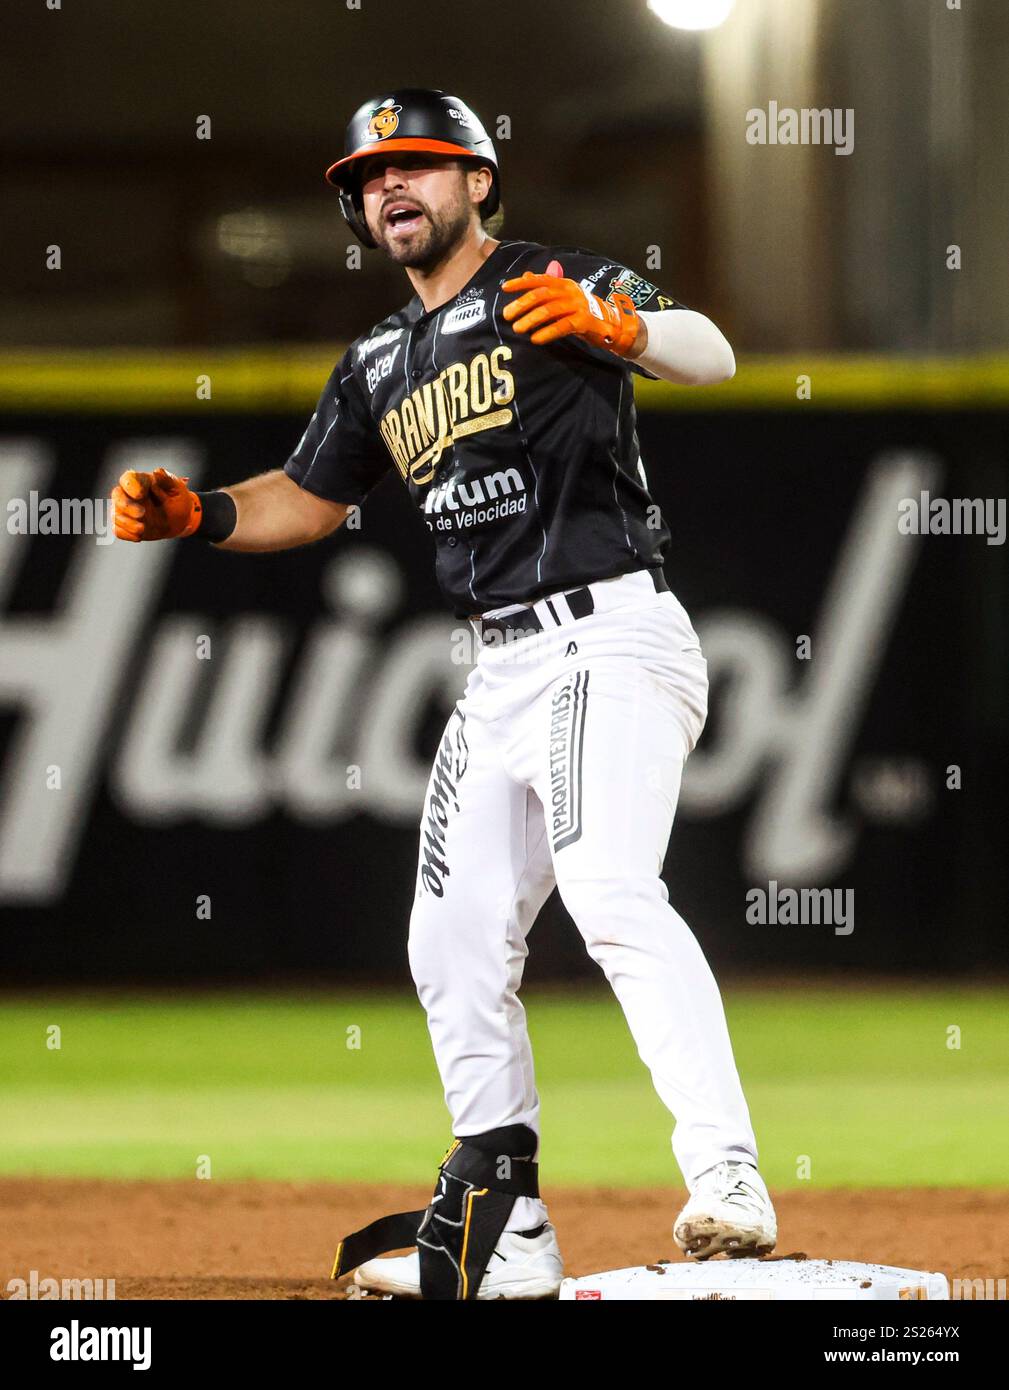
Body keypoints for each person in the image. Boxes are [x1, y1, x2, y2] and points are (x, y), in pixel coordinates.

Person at [112, 88, 777, 1301]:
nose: (388, 189)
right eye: (368, 179)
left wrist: (617, 324)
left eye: (414, 165)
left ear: (477, 179)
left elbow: (713, 352)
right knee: (451, 936)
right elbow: (308, 498)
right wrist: (200, 513)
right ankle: (507, 1220)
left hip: (607, 633)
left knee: (609, 888)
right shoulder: (379, 358)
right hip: (500, 667)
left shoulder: (547, 281)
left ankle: (726, 1171)